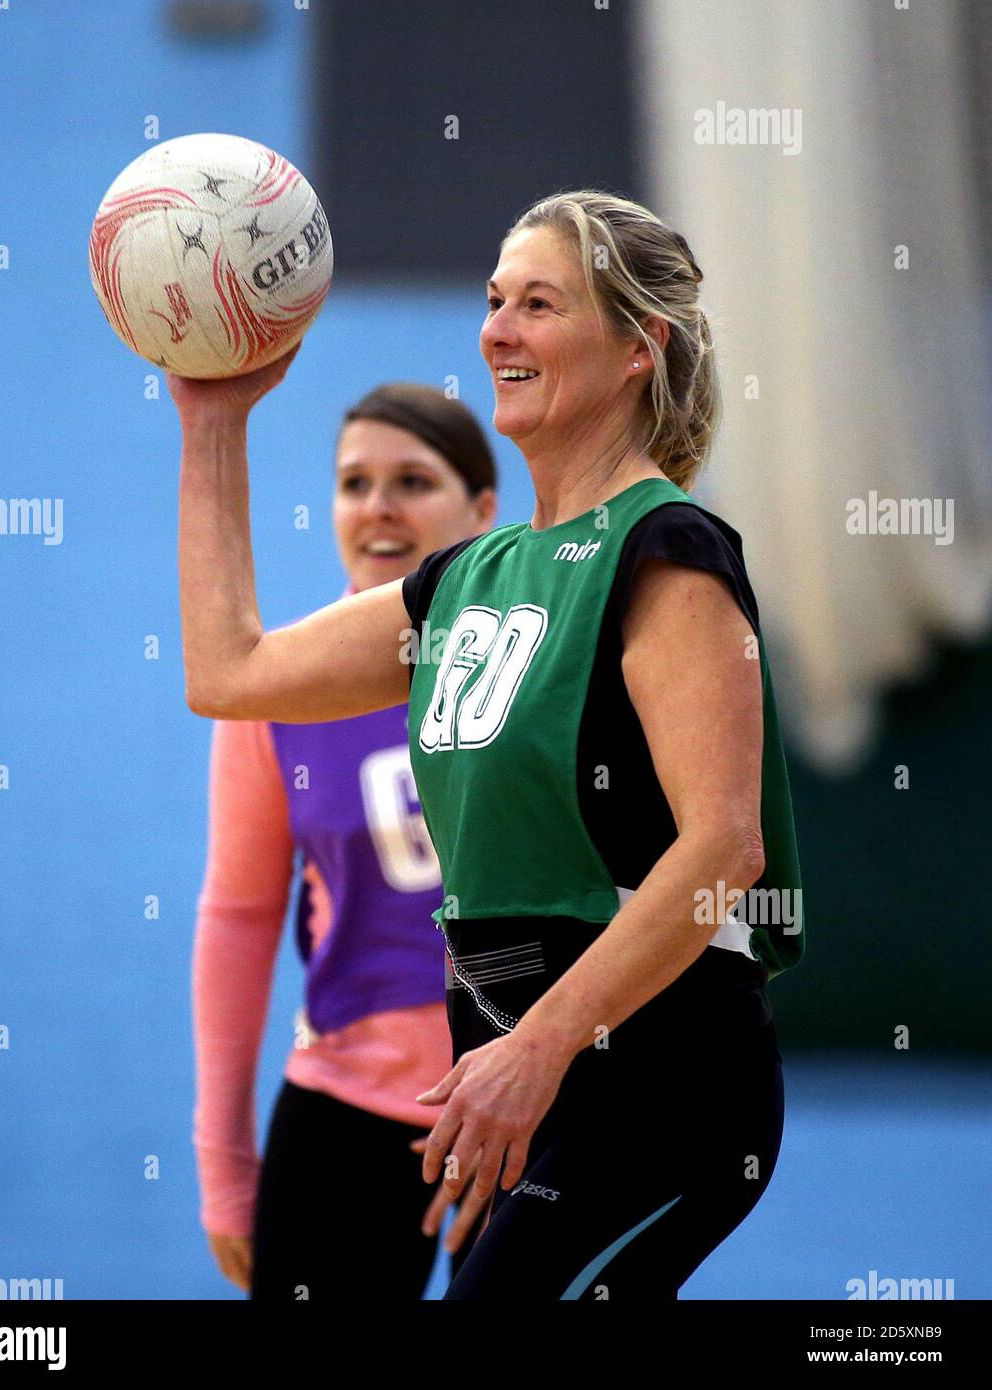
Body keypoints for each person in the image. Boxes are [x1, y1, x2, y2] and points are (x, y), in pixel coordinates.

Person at [169, 189, 805, 1301]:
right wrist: (215, 418)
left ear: (637, 348)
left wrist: (538, 1046)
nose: (496, 331)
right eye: (494, 300)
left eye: (540, 304)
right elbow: (232, 674)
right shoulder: (466, 579)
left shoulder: (670, 553)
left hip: (662, 1084)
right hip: (518, 1076)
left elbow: (723, 852)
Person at [190, 384, 499, 1299]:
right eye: (354, 483)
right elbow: (239, 917)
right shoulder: (276, 684)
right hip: (347, 1110)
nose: (379, 507)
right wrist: (223, 1160)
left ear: (483, 511)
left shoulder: (540, 666)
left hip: (528, 1097)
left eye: (413, 479)